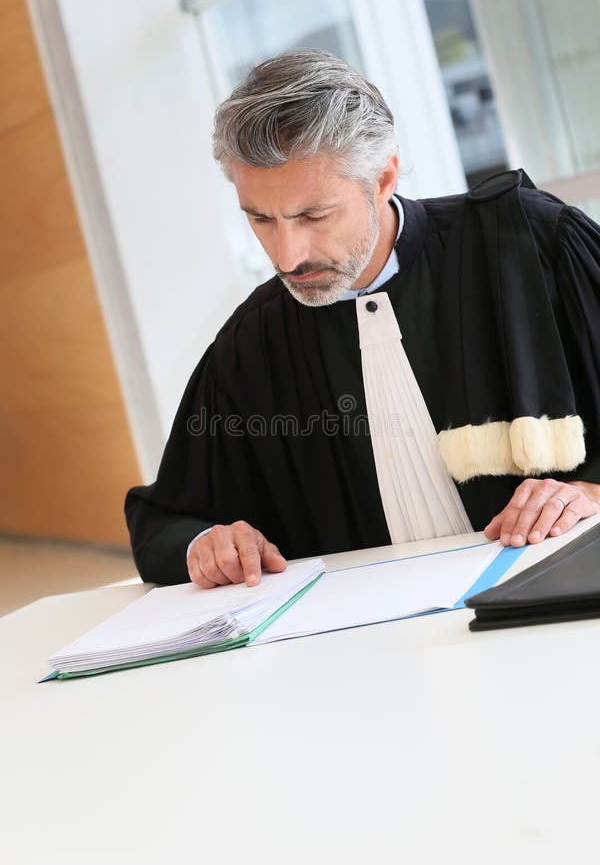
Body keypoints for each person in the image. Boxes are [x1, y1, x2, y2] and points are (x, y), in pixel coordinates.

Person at [125, 49, 600, 589]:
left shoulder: (535, 246)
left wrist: (589, 493)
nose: (288, 257)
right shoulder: (250, 343)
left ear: (383, 179)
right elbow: (162, 523)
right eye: (260, 218)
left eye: (314, 215)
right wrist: (206, 544)